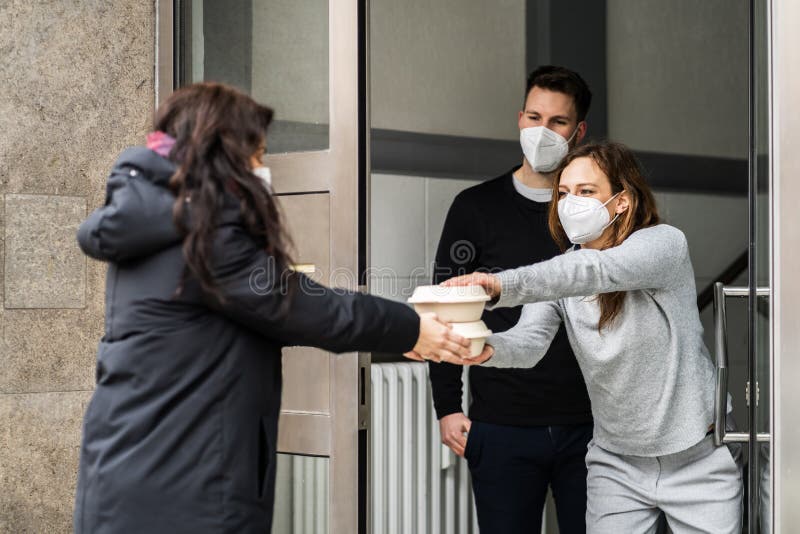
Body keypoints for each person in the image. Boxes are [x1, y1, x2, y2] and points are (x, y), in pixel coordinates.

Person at [73, 82, 472, 533]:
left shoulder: (158, 221)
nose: (263, 169)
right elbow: (307, 307)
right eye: (258, 154)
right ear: (224, 150)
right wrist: (413, 329)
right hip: (184, 491)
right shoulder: (201, 233)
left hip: (135, 475)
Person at [446, 141, 743, 533]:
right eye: (564, 193)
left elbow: (596, 271)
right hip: (616, 463)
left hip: (697, 457)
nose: (571, 203)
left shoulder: (664, 244)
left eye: (586, 192)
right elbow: (530, 343)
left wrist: (498, 285)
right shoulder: (566, 269)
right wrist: (483, 348)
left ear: (622, 201)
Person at [427, 66, 594, 533]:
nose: (543, 131)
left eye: (558, 122)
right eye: (534, 116)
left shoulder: (591, 215)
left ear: (578, 132)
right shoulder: (474, 207)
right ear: (519, 118)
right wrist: (448, 407)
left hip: (590, 425)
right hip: (501, 425)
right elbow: (447, 307)